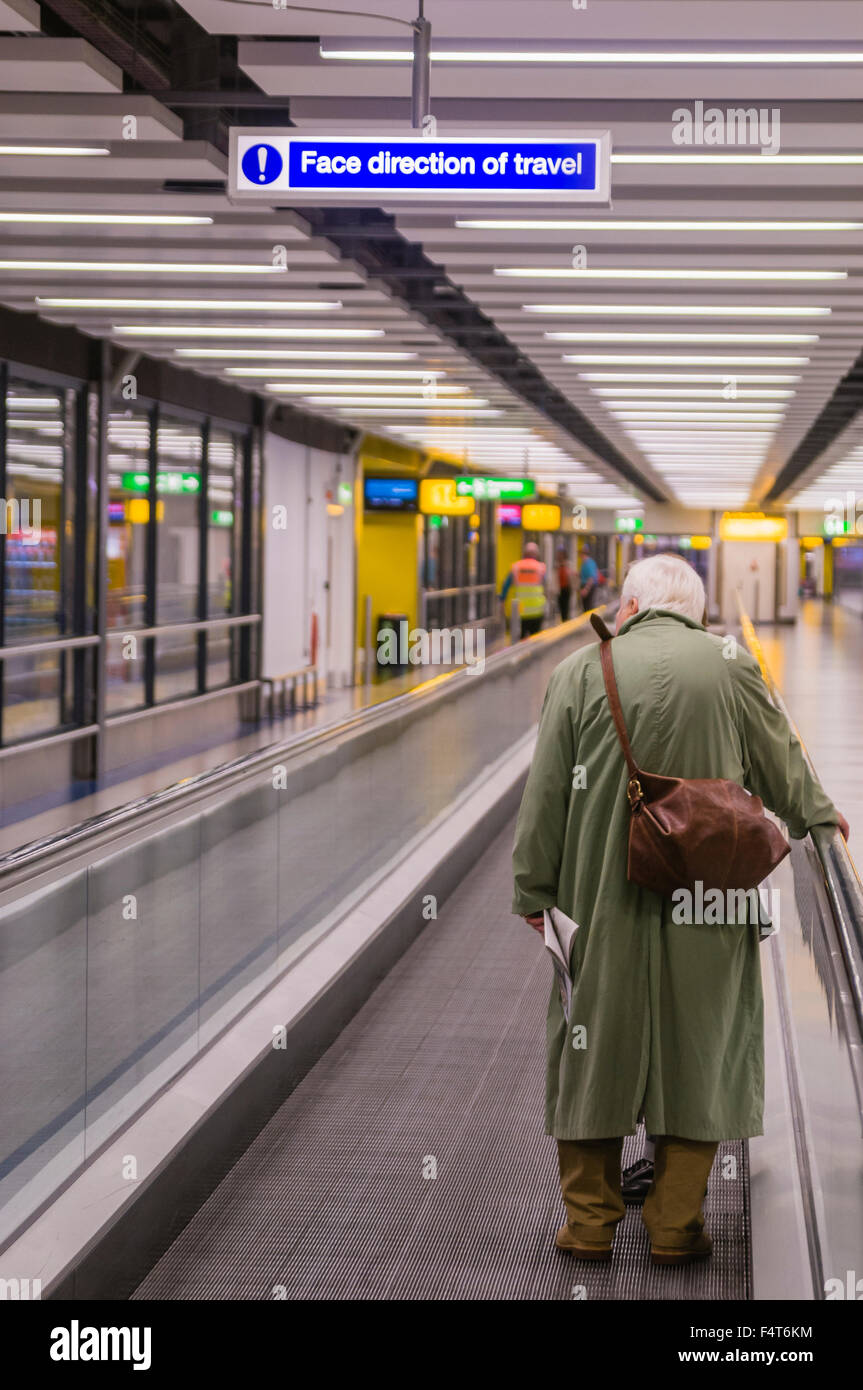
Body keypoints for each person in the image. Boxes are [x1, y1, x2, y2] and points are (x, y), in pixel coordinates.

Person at [511, 554, 849, 1266]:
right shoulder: (729, 666)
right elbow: (780, 762)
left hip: (596, 896)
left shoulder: (580, 672)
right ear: (695, 612)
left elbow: (544, 796)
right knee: (700, 1043)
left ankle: (590, 1223)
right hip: (709, 892)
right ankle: (672, 1225)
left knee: (588, 1043)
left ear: (629, 606)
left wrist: (533, 889)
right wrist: (818, 820)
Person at [500, 540, 547, 639]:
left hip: (520, 611)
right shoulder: (540, 568)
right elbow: (546, 586)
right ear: (536, 554)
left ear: (524, 554)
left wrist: (502, 601)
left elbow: (506, 585)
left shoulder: (517, 567)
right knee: (535, 639)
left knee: (521, 640)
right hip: (537, 610)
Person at [577, 544, 600, 611]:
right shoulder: (584, 563)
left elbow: (591, 578)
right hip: (586, 586)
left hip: (589, 587)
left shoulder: (588, 563)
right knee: (585, 607)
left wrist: (586, 589)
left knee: (588, 607)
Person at [556, 546, 572, 623]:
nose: (560, 556)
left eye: (561, 554)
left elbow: (571, 575)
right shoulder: (557, 565)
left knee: (566, 607)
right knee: (561, 607)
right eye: (559, 554)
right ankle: (563, 620)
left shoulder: (568, 564)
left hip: (566, 588)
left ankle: (565, 621)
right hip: (559, 589)